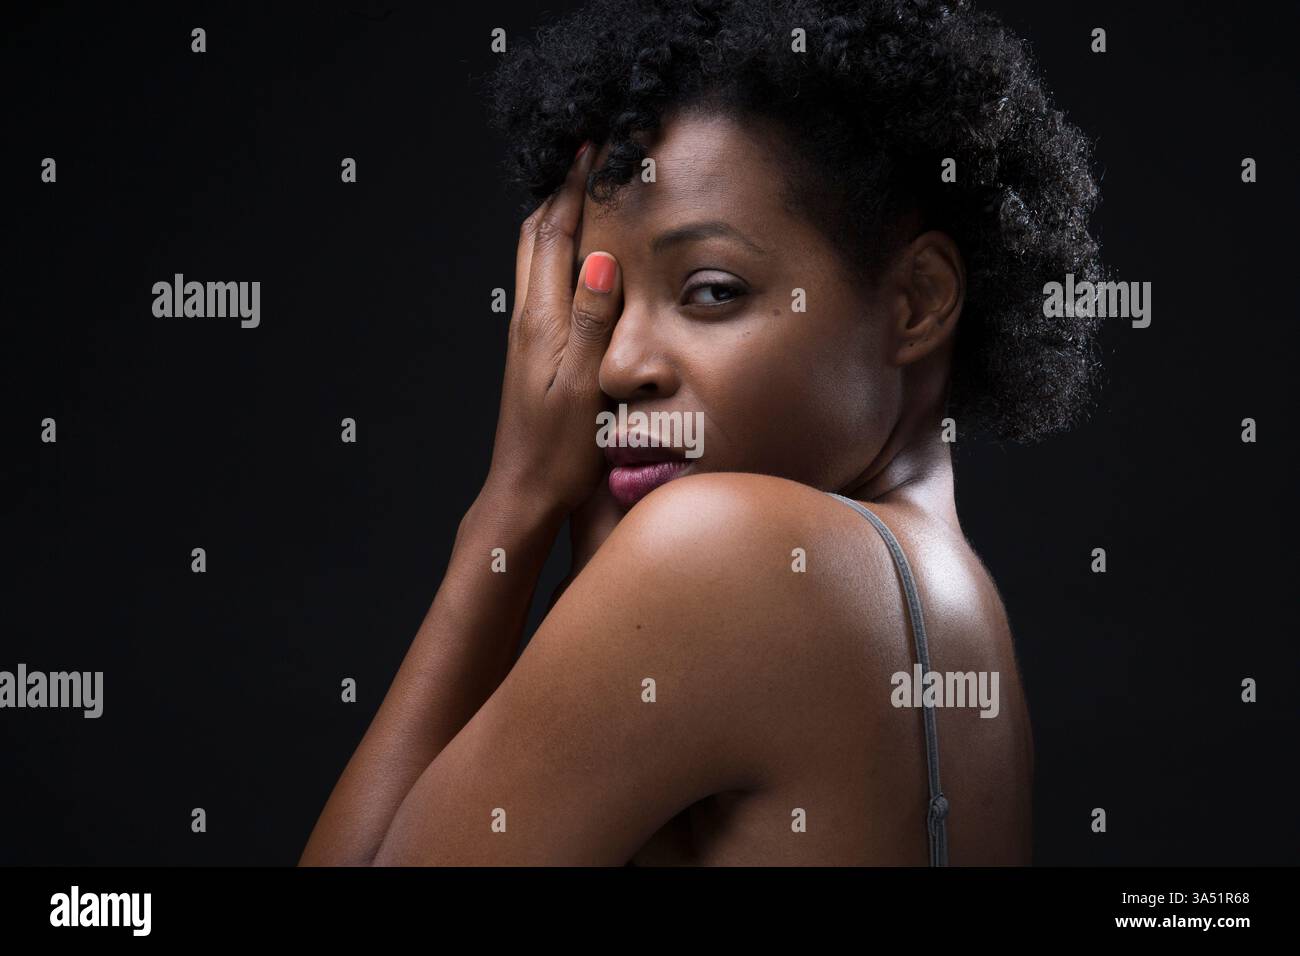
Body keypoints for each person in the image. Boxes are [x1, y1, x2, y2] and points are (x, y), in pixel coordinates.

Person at [300, 0, 1102, 866]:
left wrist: (514, 505)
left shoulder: (726, 551)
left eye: (712, 290)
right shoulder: (955, 605)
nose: (616, 367)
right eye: (592, 299)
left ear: (917, 300)